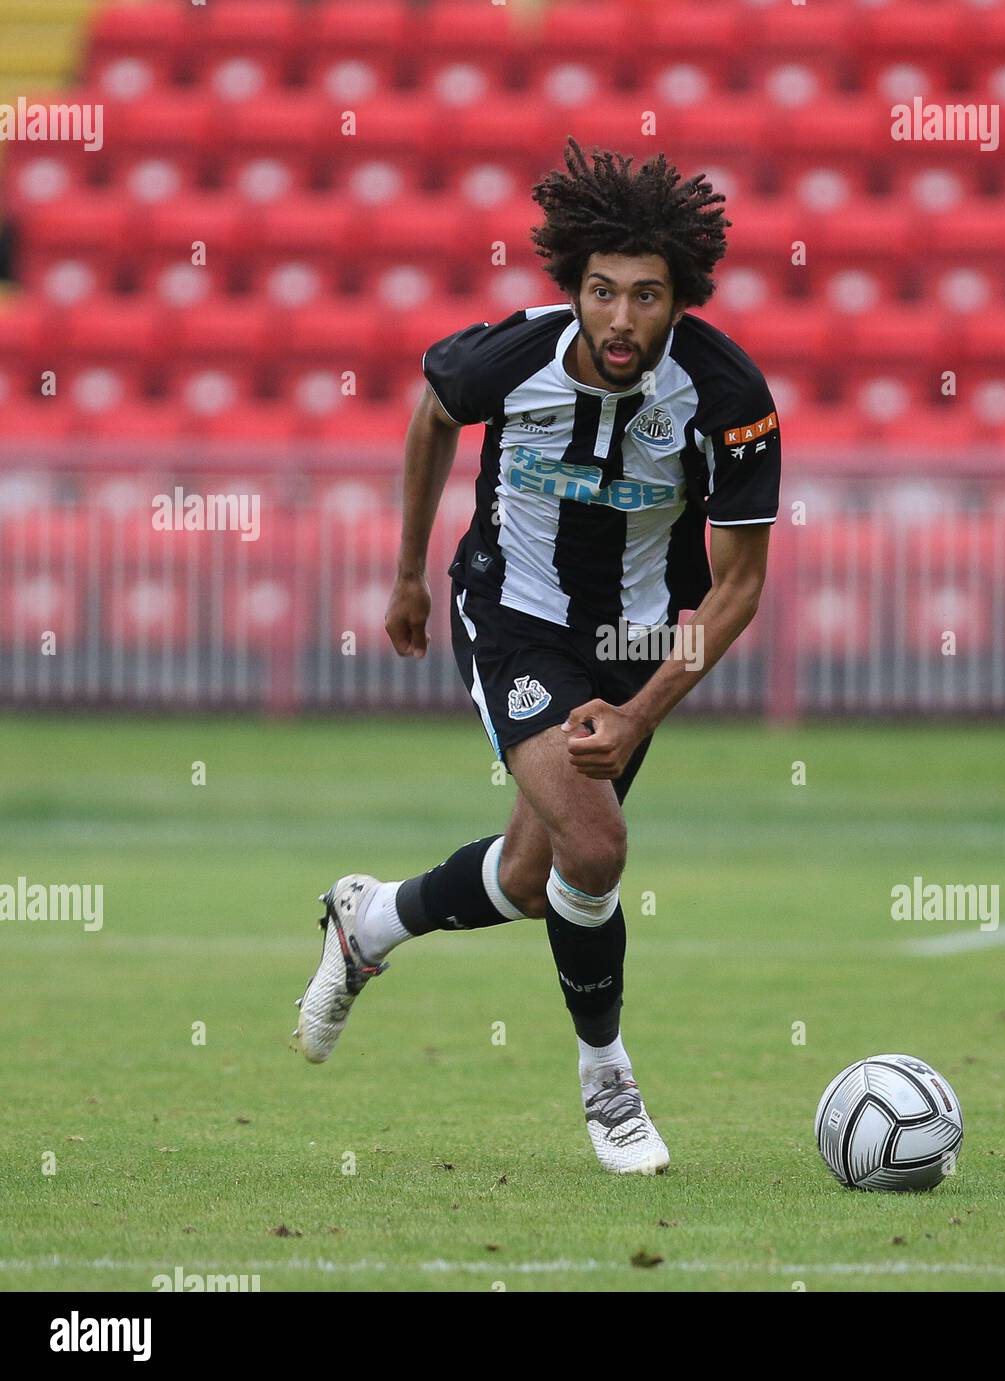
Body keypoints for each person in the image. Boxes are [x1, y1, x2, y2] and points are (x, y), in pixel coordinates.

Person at [294, 139, 781, 1174]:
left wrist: (640, 709)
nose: (619, 319)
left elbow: (737, 585)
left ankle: (369, 920)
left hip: (641, 639)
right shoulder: (507, 358)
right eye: (600, 292)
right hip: (513, 613)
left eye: (645, 297)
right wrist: (410, 573)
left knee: (529, 873)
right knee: (596, 850)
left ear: (679, 300)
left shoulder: (729, 397)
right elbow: (431, 416)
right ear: (572, 290)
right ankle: (609, 1084)